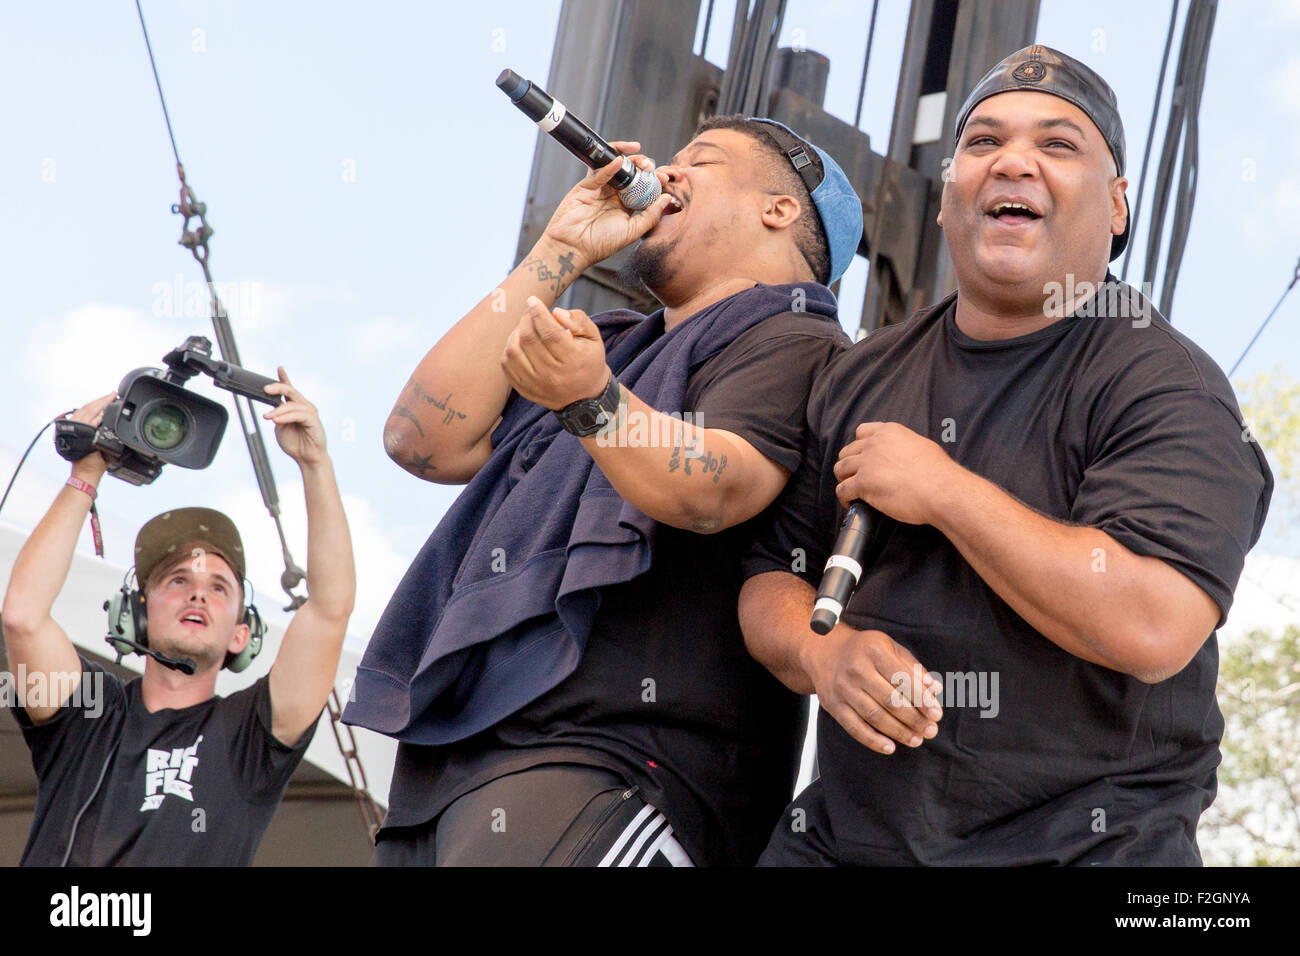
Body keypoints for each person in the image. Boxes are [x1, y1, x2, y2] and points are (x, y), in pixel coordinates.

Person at [738, 45, 1273, 865]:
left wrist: (945, 491)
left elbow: (1154, 621)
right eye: (983, 143)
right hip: (846, 843)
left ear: (1118, 206)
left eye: (1058, 146)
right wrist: (821, 652)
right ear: (950, 197)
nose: (1013, 161)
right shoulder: (861, 373)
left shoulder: (1165, 383)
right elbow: (771, 575)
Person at [344, 115, 863, 866]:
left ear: (780, 209)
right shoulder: (614, 344)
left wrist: (594, 402)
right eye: (672, 159)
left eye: (702, 161)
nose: (667, 171)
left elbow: (713, 486)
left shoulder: (795, 338)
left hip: (619, 765)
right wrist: (559, 249)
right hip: (452, 774)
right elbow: (424, 439)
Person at [2, 369, 356, 865]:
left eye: (218, 587)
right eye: (177, 582)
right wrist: (86, 473)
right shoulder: (90, 710)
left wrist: (315, 465)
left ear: (242, 634)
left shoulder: (250, 736)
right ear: (136, 613)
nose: (198, 596)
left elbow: (329, 610)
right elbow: (23, 617)